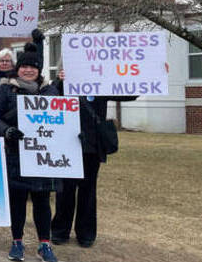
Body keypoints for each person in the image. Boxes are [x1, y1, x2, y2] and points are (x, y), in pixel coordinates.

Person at [0, 43, 61, 262]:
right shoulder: (6, 89)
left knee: (42, 201)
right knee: (17, 201)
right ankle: (17, 241)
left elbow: (63, 117)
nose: (28, 70)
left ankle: (44, 244)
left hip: (42, 155)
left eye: (33, 67)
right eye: (24, 66)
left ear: (39, 70)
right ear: (18, 68)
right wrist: (6, 130)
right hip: (15, 153)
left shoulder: (49, 91)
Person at [49, 68, 138, 248]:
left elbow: (129, 94)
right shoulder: (64, 84)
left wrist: (151, 74)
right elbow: (50, 97)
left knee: (88, 191)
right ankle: (60, 231)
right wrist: (59, 80)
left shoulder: (101, 85)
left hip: (92, 146)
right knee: (65, 190)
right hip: (67, 144)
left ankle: (86, 234)